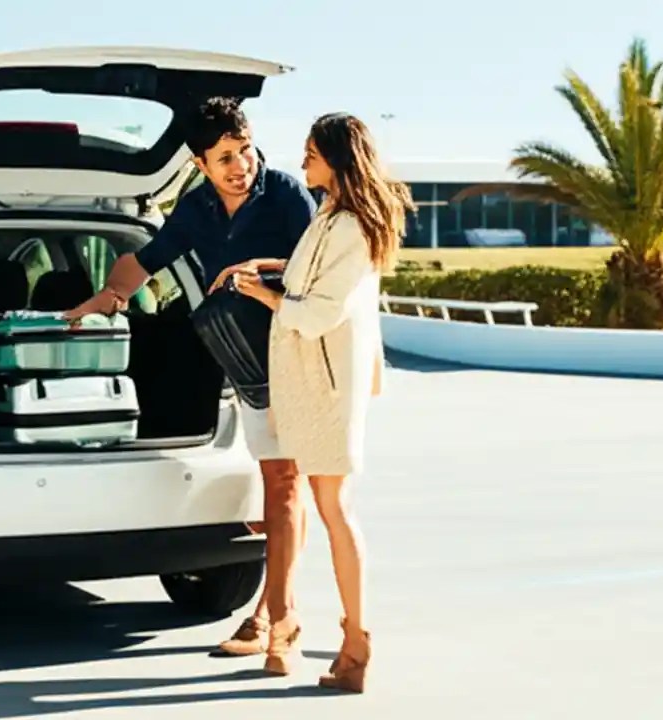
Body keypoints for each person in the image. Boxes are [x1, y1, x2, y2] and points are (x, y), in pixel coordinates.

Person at [63, 97, 316, 657]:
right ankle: (281, 614)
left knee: (286, 482)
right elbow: (146, 259)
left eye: (244, 150)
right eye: (224, 156)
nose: (240, 165)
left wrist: (261, 272)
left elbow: (313, 271)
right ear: (199, 164)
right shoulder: (196, 208)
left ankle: (275, 615)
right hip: (245, 363)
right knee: (280, 482)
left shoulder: (285, 194)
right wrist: (102, 298)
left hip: (296, 356)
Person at [229, 112, 410, 691]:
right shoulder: (331, 215)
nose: (302, 160)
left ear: (337, 157)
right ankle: (334, 636)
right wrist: (273, 268)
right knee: (329, 509)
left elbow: (317, 310)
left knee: (334, 512)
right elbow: (314, 277)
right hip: (312, 387)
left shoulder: (354, 226)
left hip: (329, 390)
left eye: (311, 152)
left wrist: (263, 294)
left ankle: (356, 642)